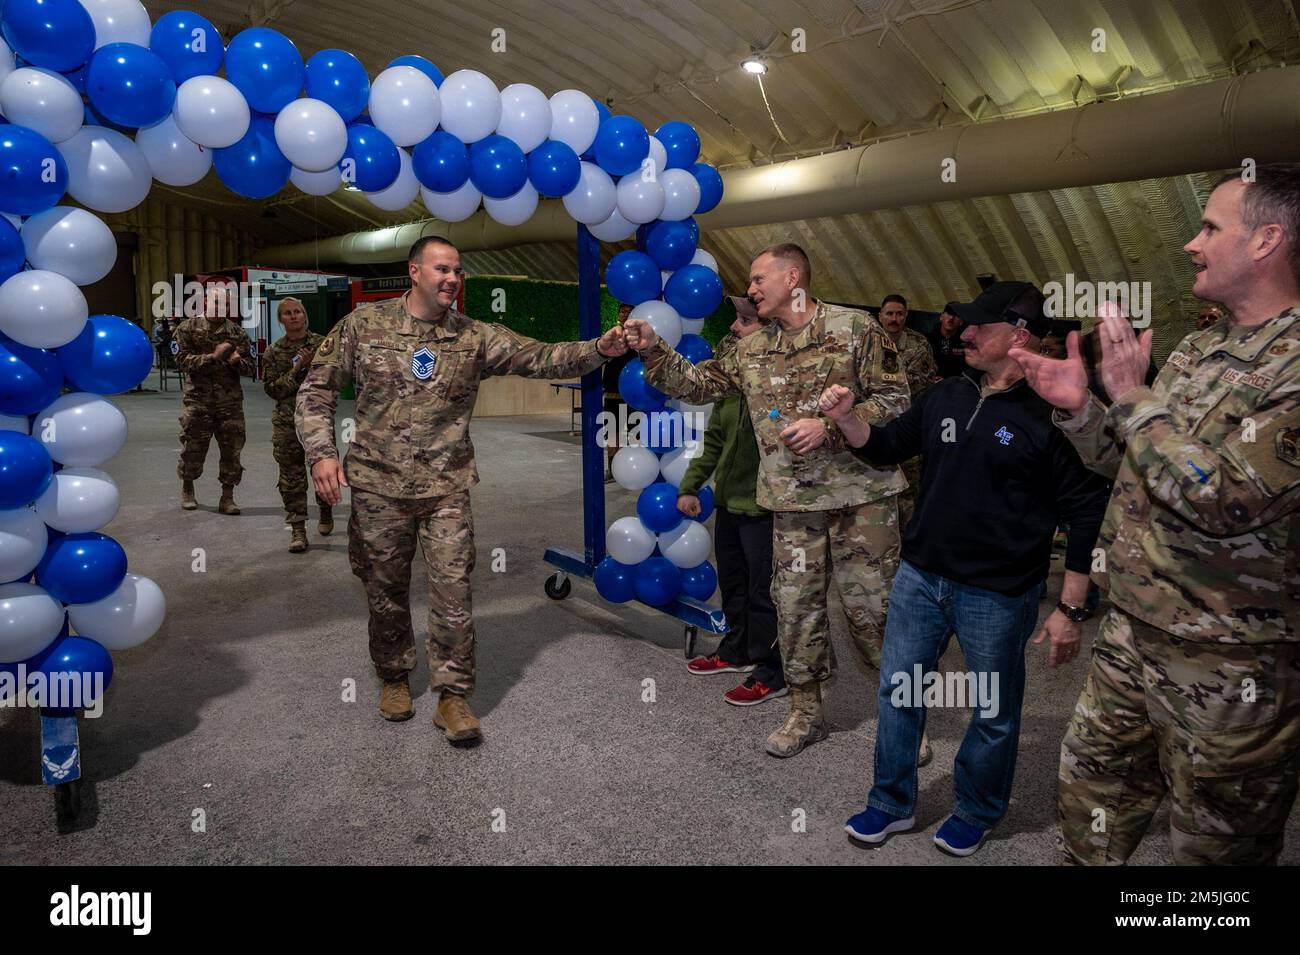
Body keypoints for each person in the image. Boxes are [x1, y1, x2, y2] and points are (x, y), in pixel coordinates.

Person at [1010, 163, 1300, 865]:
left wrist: (1134, 397)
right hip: (1132, 634)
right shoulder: (1201, 348)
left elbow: (1225, 499)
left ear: (1266, 240)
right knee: (1089, 800)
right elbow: (1139, 466)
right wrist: (1084, 409)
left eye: (1209, 228)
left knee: (1215, 845)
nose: (1189, 245)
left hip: (1230, 663)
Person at [296, 235, 628, 744]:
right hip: (377, 487)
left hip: (446, 488)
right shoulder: (364, 326)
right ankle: (394, 677)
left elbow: (539, 357)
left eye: (458, 270)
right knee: (384, 591)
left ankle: (452, 696)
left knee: (454, 591)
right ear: (414, 272)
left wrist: (599, 349)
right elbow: (316, 389)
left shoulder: (473, 336)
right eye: (442, 268)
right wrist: (321, 453)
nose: (452, 278)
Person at [820, 281, 1111, 856]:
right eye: (965, 323)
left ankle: (976, 809)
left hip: (999, 595)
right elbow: (884, 446)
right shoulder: (946, 393)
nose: (966, 332)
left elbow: (1086, 509)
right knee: (899, 692)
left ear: (1019, 335)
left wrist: (1071, 608)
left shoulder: (1053, 413)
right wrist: (849, 420)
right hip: (920, 578)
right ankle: (890, 803)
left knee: (993, 712)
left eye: (980, 325)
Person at [623, 243, 910, 758]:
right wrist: (652, 347)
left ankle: (907, 723)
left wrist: (832, 426)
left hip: (860, 501)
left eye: (758, 279)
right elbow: (698, 382)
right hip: (792, 505)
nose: (751, 290)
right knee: (795, 609)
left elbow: (897, 401)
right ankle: (804, 713)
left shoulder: (855, 329)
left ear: (792, 276)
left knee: (874, 615)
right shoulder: (752, 349)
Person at [678, 310, 784, 706]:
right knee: (734, 584)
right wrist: (691, 486)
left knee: (765, 592)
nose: (734, 327)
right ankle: (737, 650)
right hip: (730, 506)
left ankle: (772, 670)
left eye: (744, 321)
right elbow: (715, 443)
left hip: (765, 509)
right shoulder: (729, 388)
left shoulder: (780, 387)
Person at [173, 282, 254, 514]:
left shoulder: (237, 333)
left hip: (230, 403)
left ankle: (227, 497)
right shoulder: (187, 328)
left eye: (226, 304)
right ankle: (188, 488)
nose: (221, 308)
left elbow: (252, 367)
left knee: (232, 450)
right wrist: (212, 357)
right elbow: (181, 362)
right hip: (198, 401)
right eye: (217, 302)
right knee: (193, 446)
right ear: (206, 302)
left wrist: (238, 363)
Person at [262, 297, 328, 553]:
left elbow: (333, 380)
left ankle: (325, 510)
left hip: (317, 421)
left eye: (298, 312)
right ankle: (298, 529)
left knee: (321, 470)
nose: (293, 316)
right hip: (287, 423)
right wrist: (298, 369)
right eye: (287, 313)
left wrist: (314, 366)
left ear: (305, 316)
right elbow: (272, 390)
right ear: (281, 320)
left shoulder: (323, 345)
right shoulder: (274, 352)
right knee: (291, 477)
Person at [877, 294, 937, 530]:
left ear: (906, 315)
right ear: (880, 316)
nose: (894, 319)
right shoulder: (867, 340)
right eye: (889, 314)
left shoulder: (918, 344)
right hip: (875, 426)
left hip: (907, 425)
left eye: (899, 314)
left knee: (909, 490)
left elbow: (919, 386)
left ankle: (908, 541)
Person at [602, 302, 635, 482]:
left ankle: (637, 468)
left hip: (634, 394)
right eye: (622, 311)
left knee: (635, 432)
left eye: (629, 312)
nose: (625, 314)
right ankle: (612, 469)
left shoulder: (639, 339)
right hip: (612, 391)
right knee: (612, 432)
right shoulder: (612, 335)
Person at [927, 303, 967, 379]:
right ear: (941, 317)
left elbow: (966, 372)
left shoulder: (967, 344)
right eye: (949, 313)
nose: (951, 318)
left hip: (954, 385)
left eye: (956, 315)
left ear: (961, 322)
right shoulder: (926, 340)